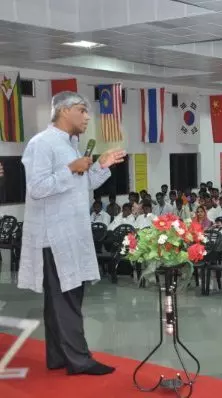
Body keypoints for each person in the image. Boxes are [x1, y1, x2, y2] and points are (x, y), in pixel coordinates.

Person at [18, 91, 126, 375]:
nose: (87, 117)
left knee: (64, 296)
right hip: (53, 234)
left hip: (72, 231)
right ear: (64, 111)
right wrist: (70, 168)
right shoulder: (42, 143)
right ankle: (79, 360)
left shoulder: (72, 144)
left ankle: (58, 356)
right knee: (65, 297)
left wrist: (101, 165)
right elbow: (37, 188)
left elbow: (82, 183)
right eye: (82, 110)